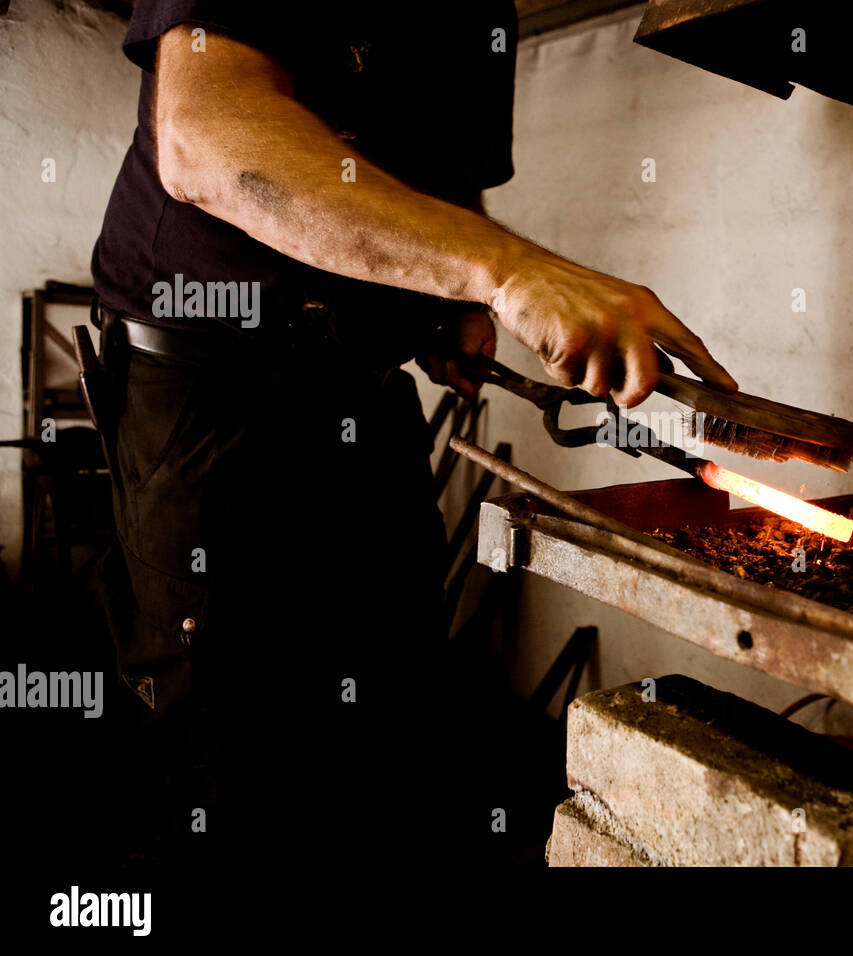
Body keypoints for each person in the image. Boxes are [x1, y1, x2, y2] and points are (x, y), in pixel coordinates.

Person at [88, 1, 735, 877]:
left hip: (361, 392)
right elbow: (206, 138)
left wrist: (454, 304)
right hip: (208, 394)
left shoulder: (479, 13)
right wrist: (509, 271)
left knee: (389, 714)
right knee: (224, 748)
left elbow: (450, 181)